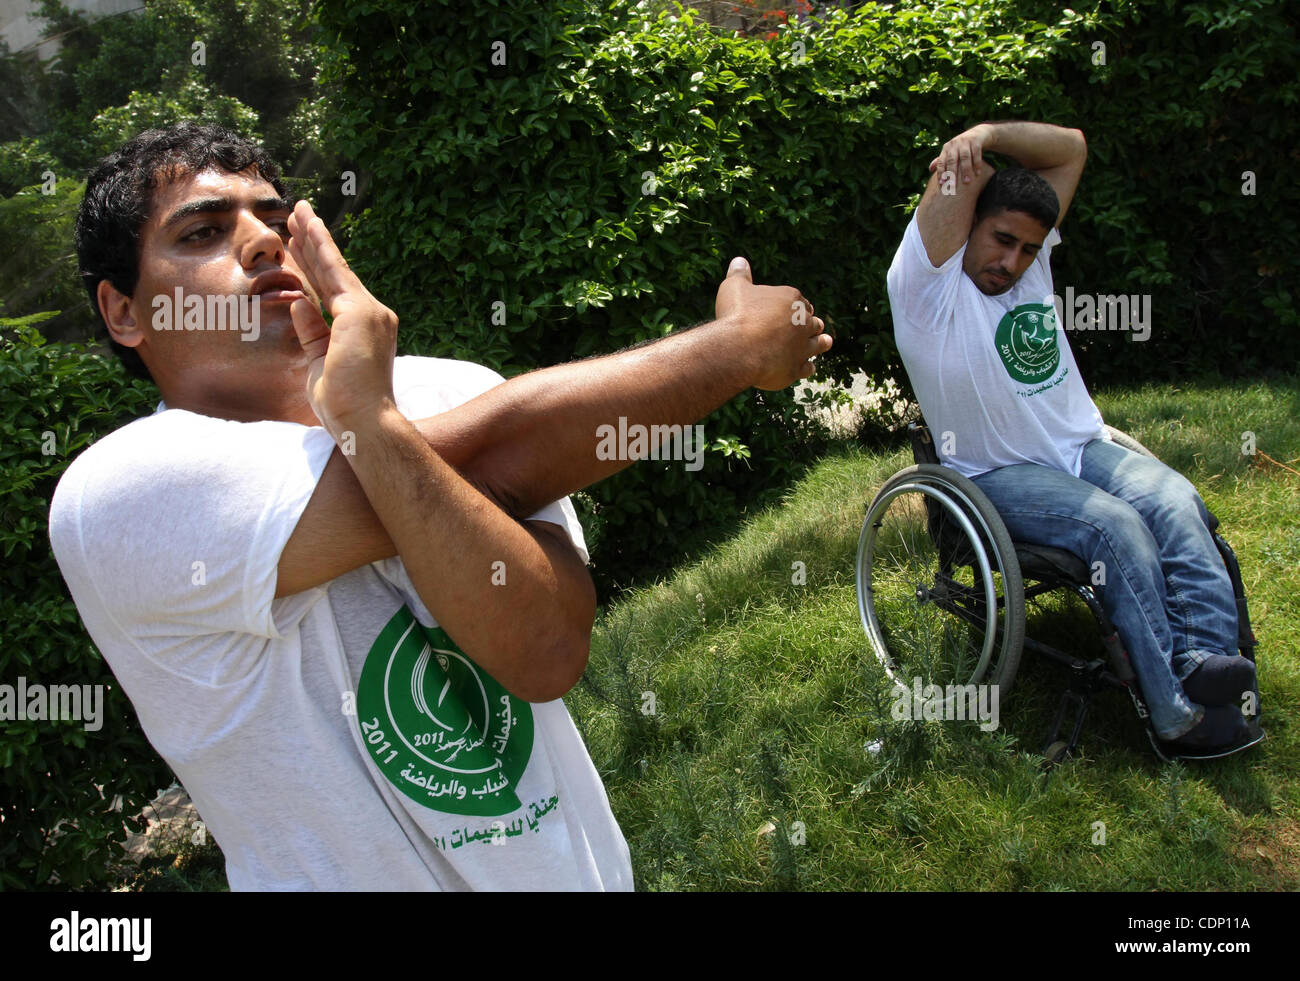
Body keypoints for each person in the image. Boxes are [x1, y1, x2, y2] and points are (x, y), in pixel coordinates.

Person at [48, 122, 832, 890]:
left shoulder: (452, 386)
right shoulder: (116, 493)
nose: (262, 242)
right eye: (203, 233)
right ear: (123, 312)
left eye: (278, 219)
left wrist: (371, 421)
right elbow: (495, 455)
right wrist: (737, 348)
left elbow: (546, 649)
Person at [885, 119, 1257, 754]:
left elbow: (1073, 148)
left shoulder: (1030, 269)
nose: (1013, 261)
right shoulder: (925, 290)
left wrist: (990, 129)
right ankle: (1175, 716)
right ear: (969, 223)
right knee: (1114, 527)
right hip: (996, 477)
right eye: (1002, 240)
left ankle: (1205, 663)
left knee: (1175, 499)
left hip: (1083, 449)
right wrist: (963, 153)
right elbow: (949, 191)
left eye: (1029, 248)